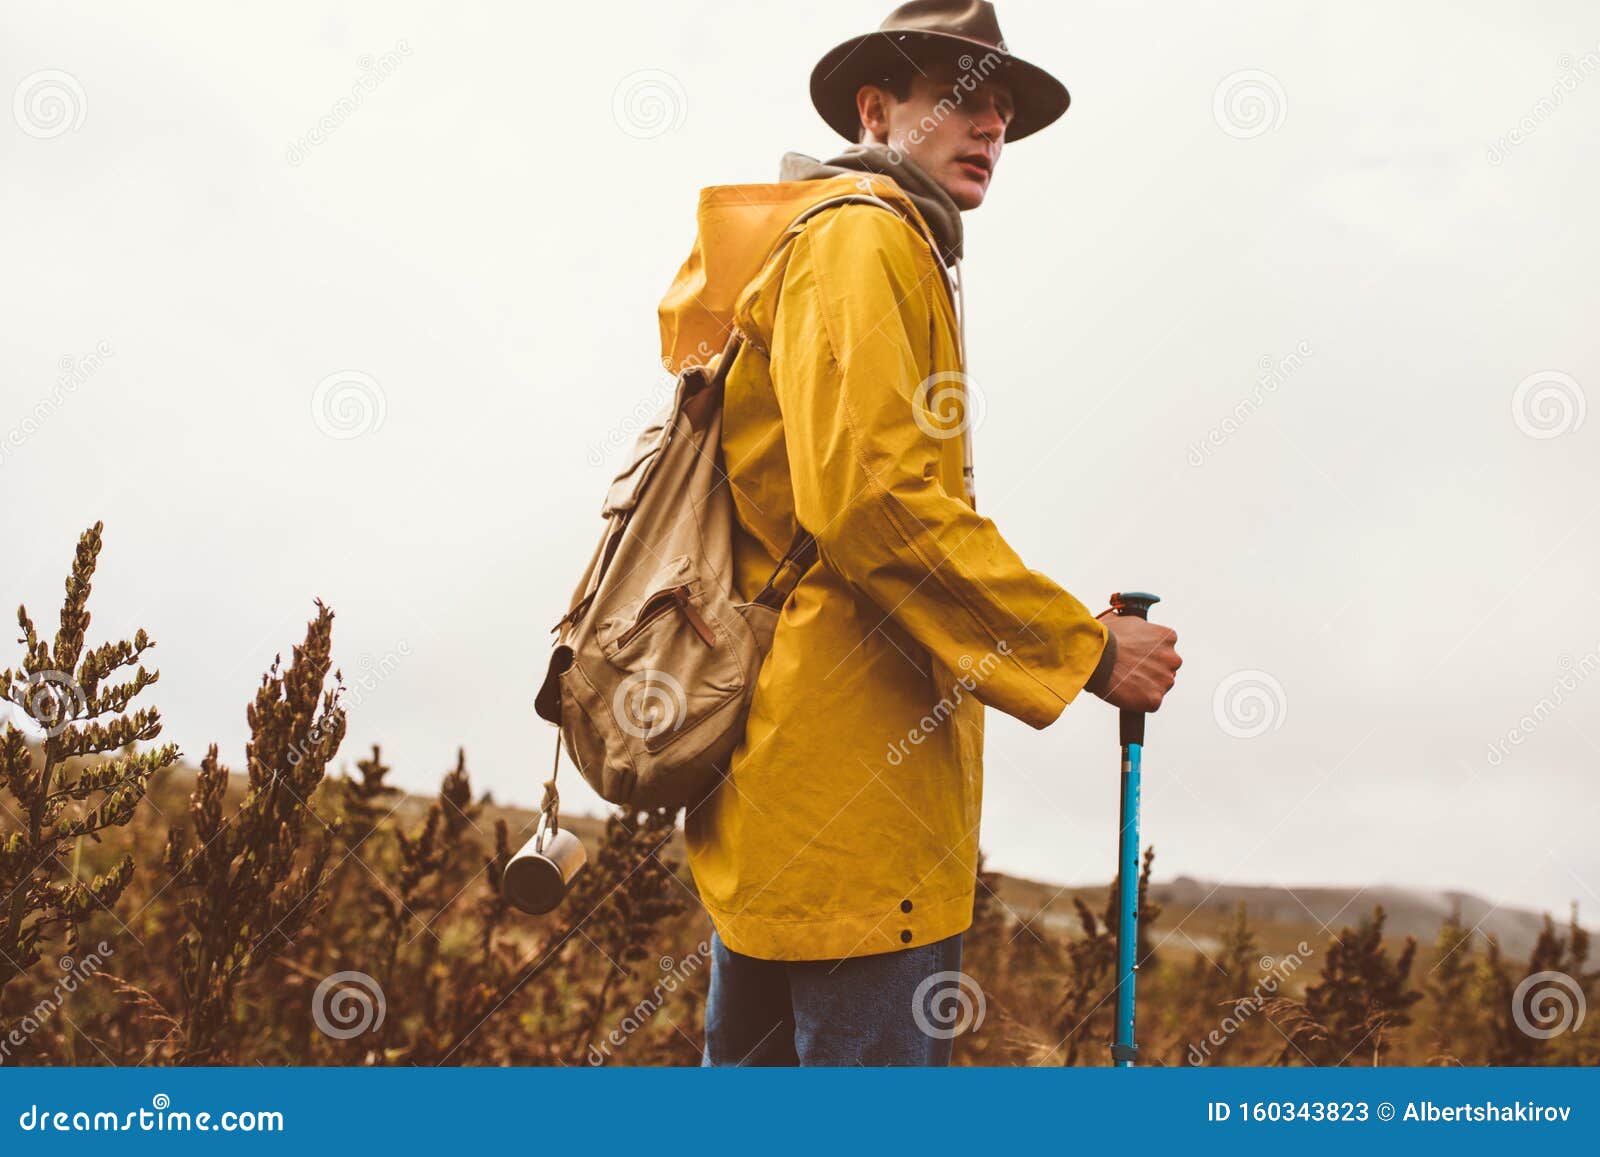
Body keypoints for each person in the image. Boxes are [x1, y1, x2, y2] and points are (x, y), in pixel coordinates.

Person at [656, 0, 1183, 1066]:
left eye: (1001, 107)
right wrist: (1080, 651)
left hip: (781, 792)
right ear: (875, 108)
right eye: (962, 95)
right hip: (859, 809)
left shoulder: (820, 236)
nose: (990, 124)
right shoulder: (864, 235)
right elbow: (876, 504)